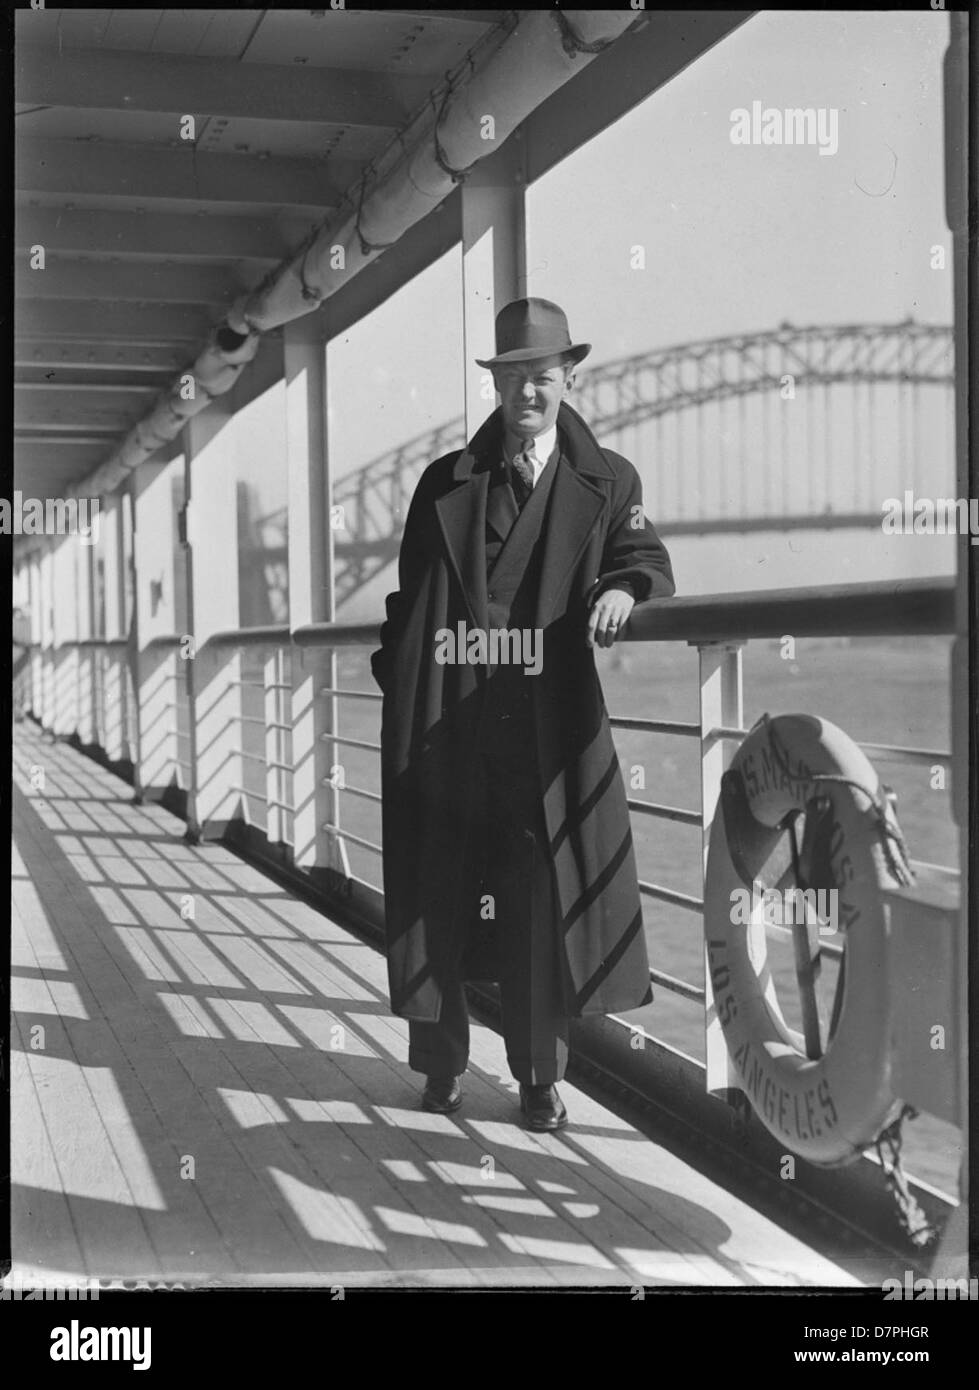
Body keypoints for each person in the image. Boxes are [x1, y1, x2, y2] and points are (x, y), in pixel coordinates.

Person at [370, 297, 675, 1130]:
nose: (527, 394)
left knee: (538, 905)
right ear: (496, 387)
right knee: (441, 895)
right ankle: (439, 1071)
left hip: (542, 737)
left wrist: (621, 587)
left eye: (541, 378)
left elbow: (639, 553)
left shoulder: (608, 479)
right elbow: (407, 600)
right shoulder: (444, 483)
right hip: (449, 727)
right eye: (512, 379)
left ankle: (539, 1081)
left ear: (567, 377)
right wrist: (400, 679)